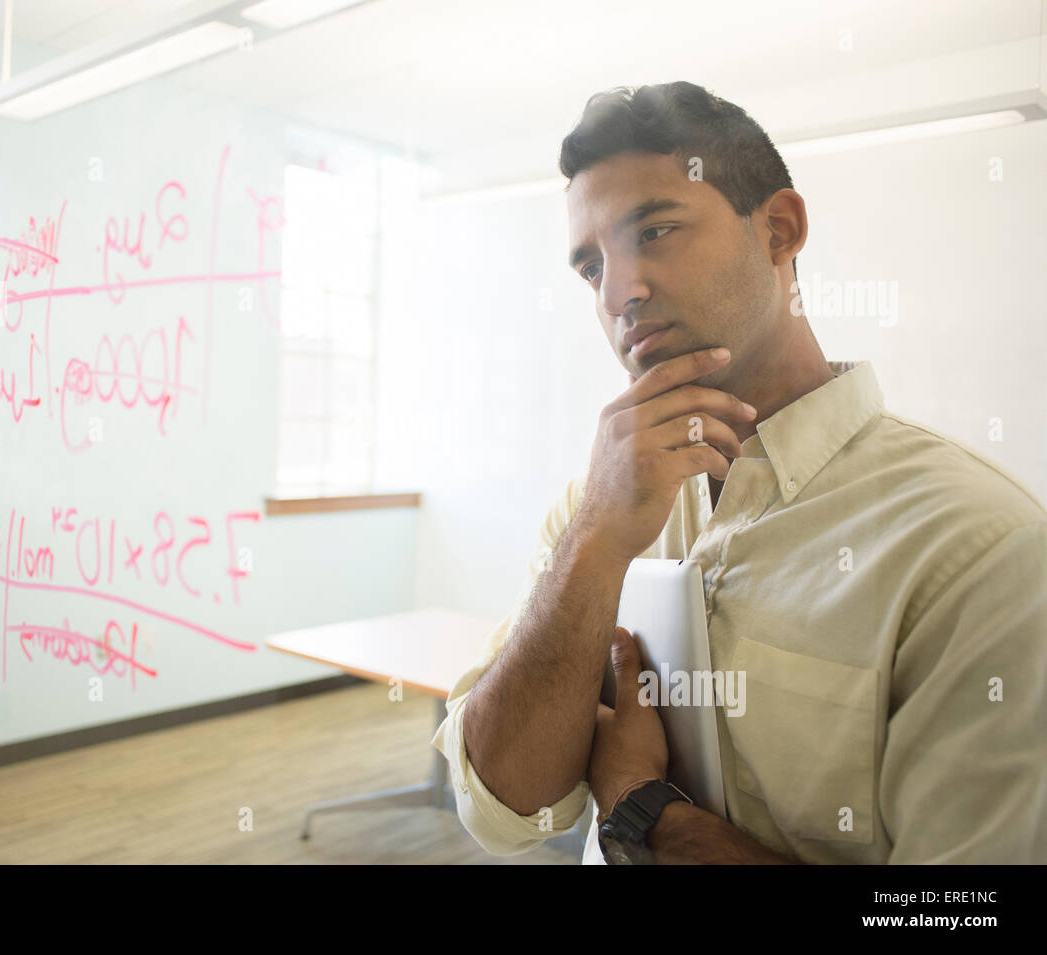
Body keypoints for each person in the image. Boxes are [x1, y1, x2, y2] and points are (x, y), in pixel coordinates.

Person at [433, 80, 1047, 864]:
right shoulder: (597, 511)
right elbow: (501, 810)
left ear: (780, 230)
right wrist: (595, 539)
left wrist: (643, 809)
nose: (619, 292)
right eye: (591, 268)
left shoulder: (981, 548)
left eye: (655, 230)